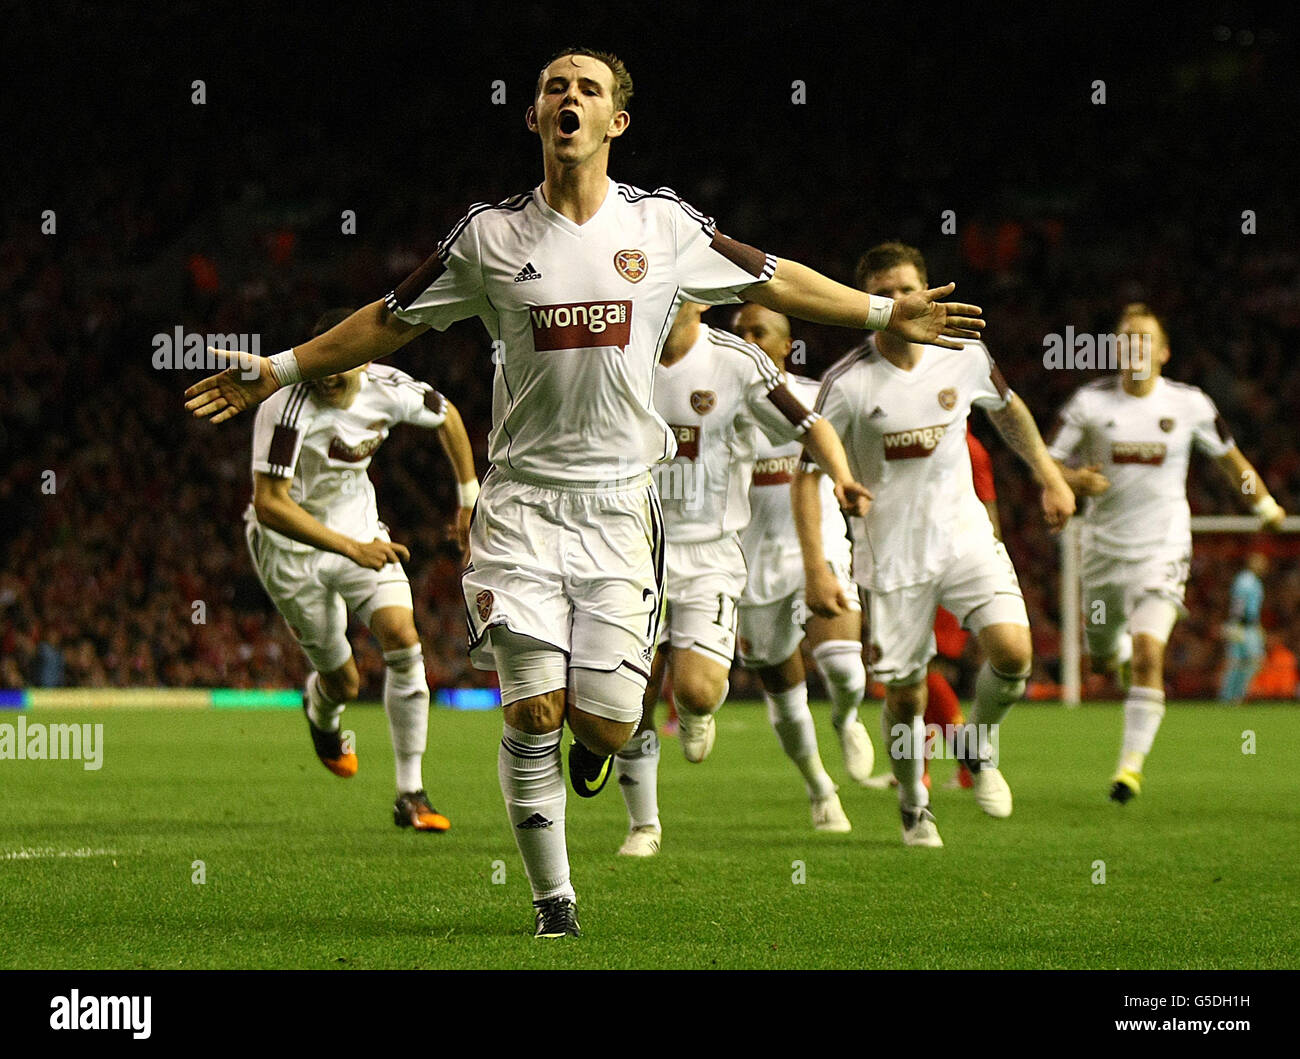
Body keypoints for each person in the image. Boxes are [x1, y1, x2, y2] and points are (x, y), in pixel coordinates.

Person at [185, 49, 984, 936]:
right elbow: (388, 318)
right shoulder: (488, 237)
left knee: (605, 724)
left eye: (589, 88)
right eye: (554, 87)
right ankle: (552, 901)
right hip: (521, 505)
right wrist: (282, 367)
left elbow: (775, 275)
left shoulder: (665, 226)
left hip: (618, 508)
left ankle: (600, 752)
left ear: (617, 123)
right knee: (532, 706)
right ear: (533, 116)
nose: (569, 97)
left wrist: (881, 315)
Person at [795, 242, 1073, 847]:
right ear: (870, 302)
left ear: (927, 291)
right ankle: (914, 804)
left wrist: (1049, 475)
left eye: (907, 287)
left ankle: (975, 747)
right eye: (886, 291)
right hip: (891, 556)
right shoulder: (846, 383)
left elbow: (1008, 412)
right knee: (906, 694)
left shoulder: (964, 355)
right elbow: (806, 471)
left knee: (1013, 653)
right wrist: (817, 565)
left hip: (963, 535)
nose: (900, 300)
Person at [614, 302, 868, 857]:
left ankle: (708, 710)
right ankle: (644, 824)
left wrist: (844, 479)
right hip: (636, 550)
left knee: (701, 690)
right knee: (629, 699)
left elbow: (817, 429)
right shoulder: (620, 357)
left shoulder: (743, 371)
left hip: (717, 554)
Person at [245, 308, 477, 831]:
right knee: (343, 680)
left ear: (364, 359)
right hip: (290, 551)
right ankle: (321, 712)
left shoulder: (391, 389)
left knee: (401, 635)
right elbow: (269, 504)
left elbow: (449, 417)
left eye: (341, 361)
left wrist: (468, 498)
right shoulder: (286, 406)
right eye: (320, 361)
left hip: (361, 532)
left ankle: (411, 794)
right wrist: (350, 548)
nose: (328, 372)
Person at [1048, 304, 1285, 801]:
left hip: (1163, 548)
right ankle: (1112, 654)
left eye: (1145, 340)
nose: (1136, 348)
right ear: (1116, 349)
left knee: (1149, 652)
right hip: (1102, 552)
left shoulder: (1190, 404)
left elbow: (1230, 461)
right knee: (1102, 658)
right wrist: (1073, 479)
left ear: (1163, 351)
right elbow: (1045, 463)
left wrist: (1264, 503)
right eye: (1127, 339)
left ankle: (1129, 768)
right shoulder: (1090, 404)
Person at [730, 303, 875, 799]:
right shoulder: (712, 404)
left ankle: (846, 717)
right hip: (748, 564)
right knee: (784, 693)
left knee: (843, 666)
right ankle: (819, 789)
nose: (747, 339)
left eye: (759, 331)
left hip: (819, 548)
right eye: (739, 332)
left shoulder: (817, 400)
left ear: (786, 346)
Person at [863, 430, 999, 791]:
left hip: (945, 567)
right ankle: (944, 769)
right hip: (907, 565)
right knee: (917, 675)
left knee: (923, 673)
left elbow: (987, 512)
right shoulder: (910, 432)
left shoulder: (968, 447)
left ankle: (958, 765)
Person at [1219, 553, 1268, 704]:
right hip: (1243, 626)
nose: (1263, 566)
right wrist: (1238, 623)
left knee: (1243, 661)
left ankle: (1234, 696)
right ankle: (1230, 696)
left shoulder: (1252, 580)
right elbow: (1239, 603)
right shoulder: (1246, 580)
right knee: (1245, 661)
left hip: (1246, 625)